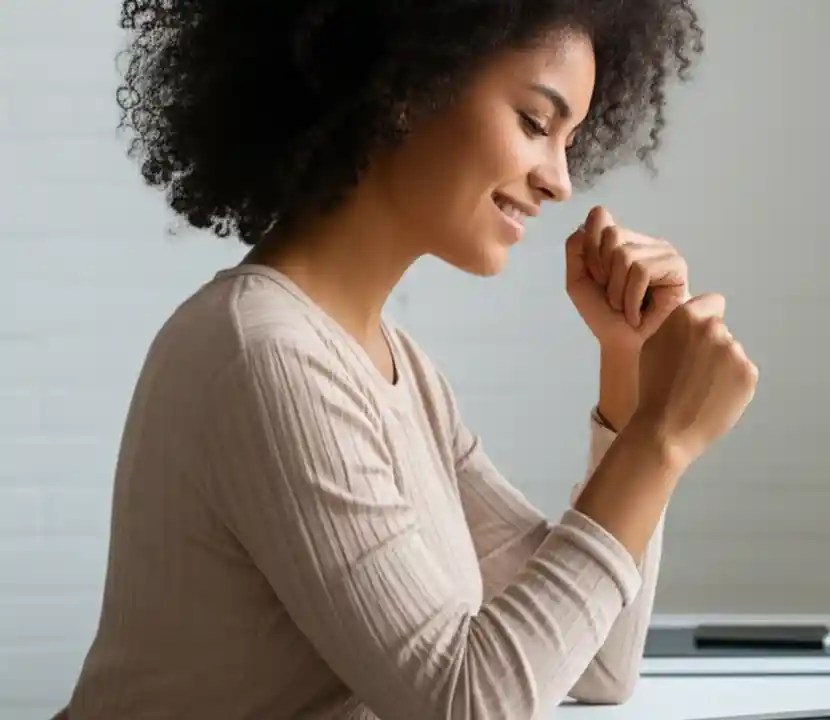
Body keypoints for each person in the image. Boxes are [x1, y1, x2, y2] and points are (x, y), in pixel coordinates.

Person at [57, 1, 758, 719]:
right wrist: (659, 442)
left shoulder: (396, 371)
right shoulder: (265, 357)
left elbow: (598, 663)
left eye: (570, 141)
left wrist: (628, 367)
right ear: (406, 85)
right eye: (534, 123)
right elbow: (464, 702)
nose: (560, 180)